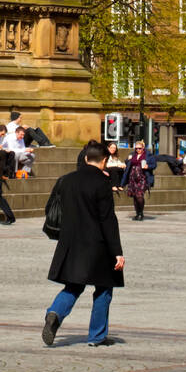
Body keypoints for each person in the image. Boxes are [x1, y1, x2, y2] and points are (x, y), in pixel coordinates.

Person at [43, 141, 124, 346]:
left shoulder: (66, 180)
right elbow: (107, 219)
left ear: (85, 158)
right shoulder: (102, 183)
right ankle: (97, 336)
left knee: (73, 286)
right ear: (104, 161)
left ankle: (55, 312)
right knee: (104, 288)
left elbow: (51, 208)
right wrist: (117, 252)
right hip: (98, 244)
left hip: (70, 242)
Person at [120, 140, 150, 221]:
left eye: (139, 148)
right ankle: (137, 213)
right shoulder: (132, 155)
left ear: (143, 148)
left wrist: (148, 166)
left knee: (139, 195)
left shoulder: (147, 155)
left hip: (142, 177)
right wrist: (128, 159)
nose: (138, 150)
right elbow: (127, 164)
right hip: (132, 177)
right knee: (134, 196)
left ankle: (141, 212)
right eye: (136, 148)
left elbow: (154, 164)